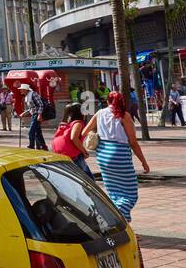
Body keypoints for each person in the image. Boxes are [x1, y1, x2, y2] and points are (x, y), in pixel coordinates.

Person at [92, 91, 149, 221]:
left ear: (107, 101)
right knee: (130, 194)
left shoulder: (99, 113)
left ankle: (123, 226)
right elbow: (133, 143)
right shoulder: (124, 116)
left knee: (114, 193)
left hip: (102, 154)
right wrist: (143, 162)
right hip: (119, 155)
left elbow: (84, 132)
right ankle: (113, 221)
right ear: (122, 102)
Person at [51, 104, 92, 176]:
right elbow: (74, 138)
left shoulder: (64, 124)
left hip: (63, 153)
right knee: (87, 177)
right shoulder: (78, 123)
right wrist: (84, 151)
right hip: (74, 154)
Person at [20, 85, 49, 150]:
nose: (20, 90)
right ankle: (43, 146)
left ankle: (31, 146)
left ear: (26, 89)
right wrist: (24, 113)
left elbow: (40, 105)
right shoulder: (27, 96)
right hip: (34, 115)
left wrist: (39, 115)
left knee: (31, 131)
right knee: (38, 132)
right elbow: (31, 108)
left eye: (22, 89)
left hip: (36, 115)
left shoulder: (33, 94)